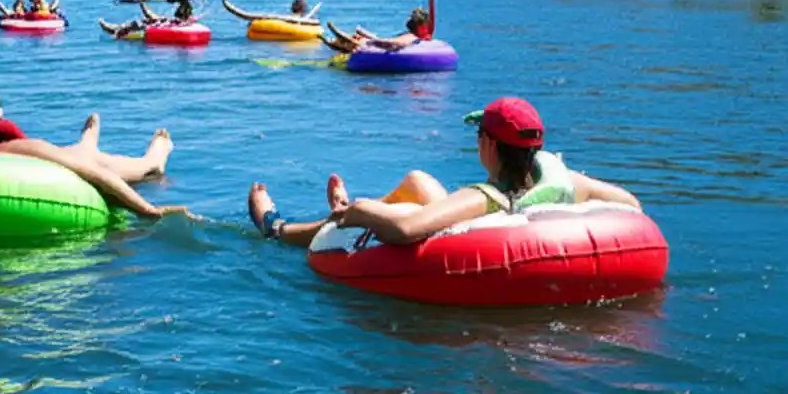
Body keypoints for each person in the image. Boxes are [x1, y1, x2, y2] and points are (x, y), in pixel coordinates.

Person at [247, 97, 641, 247]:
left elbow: (404, 232)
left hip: (469, 224)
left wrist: (359, 212)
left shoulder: (483, 197)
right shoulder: (564, 183)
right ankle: (345, 207)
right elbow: (630, 205)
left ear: (488, 144)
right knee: (418, 180)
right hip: (513, 212)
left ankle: (276, 228)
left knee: (374, 215)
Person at [0, 81, 193, 220]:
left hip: (80, 162)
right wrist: (151, 211)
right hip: (75, 160)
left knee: (143, 167)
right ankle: (88, 140)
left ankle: (157, 154)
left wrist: (148, 212)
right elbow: (88, 171)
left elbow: (93, 173)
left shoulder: (5, 148)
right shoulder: (5, 146)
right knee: (84, 153)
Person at [321, 0, 436, 54]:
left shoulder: (425, 32)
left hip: (404, 42)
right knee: (378, 40)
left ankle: (355, 39)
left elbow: (432, 18)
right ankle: (351, 39)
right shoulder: (414, 33)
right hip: (402, 41)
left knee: (378, 41)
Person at [103, 0, 194, 39]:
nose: (176, 8)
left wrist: (141, 3)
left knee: (142, 22)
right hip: (166, 25)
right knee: (149, 19)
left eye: (179, 7)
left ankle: (115, 30)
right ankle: (117, 28)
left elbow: (149, 15)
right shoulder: (183, 21)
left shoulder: (177, 22)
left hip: (155, 30)